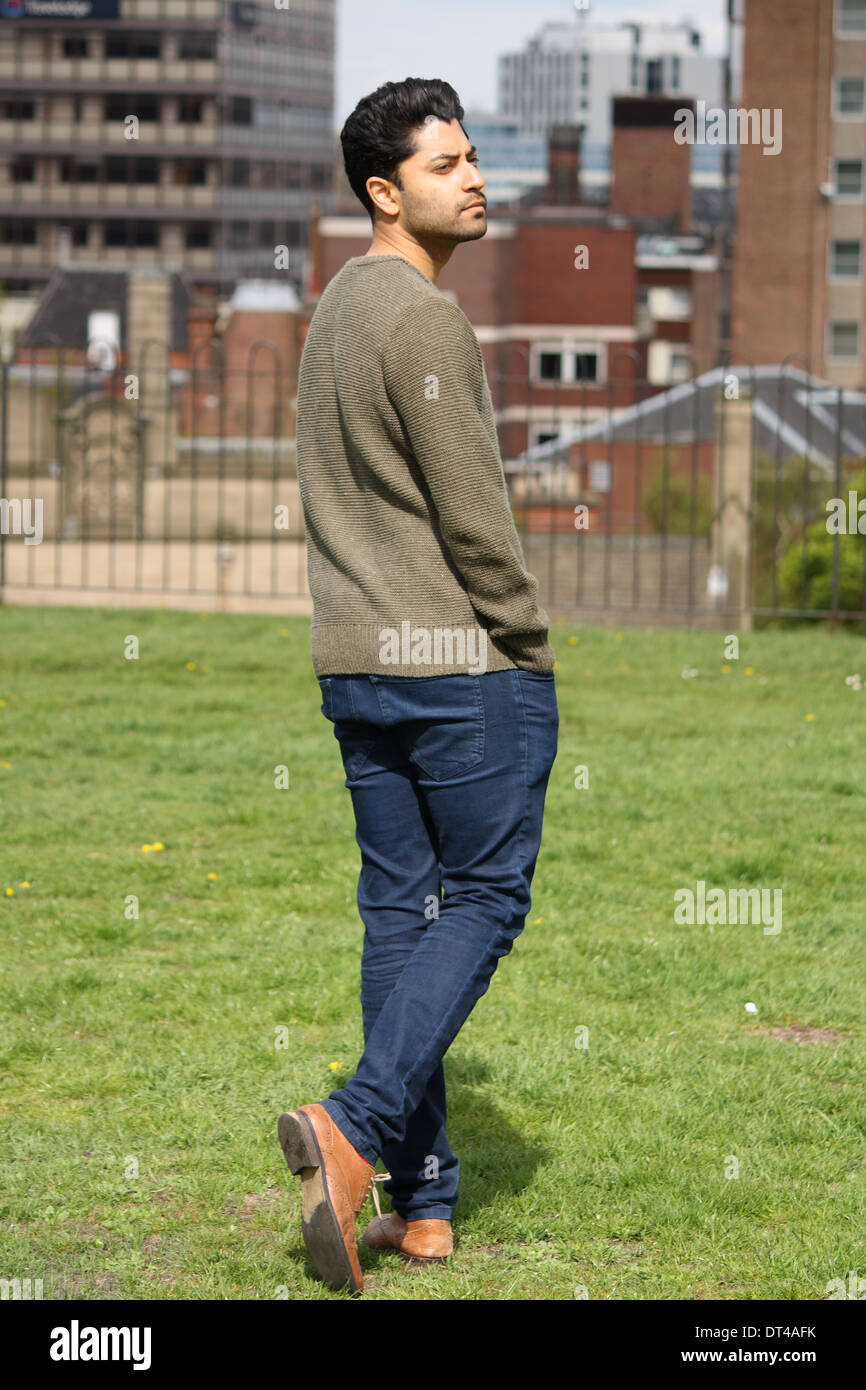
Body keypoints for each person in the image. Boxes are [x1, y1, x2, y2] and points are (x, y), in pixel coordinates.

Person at [279, 77, 559, 1293]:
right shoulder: (425, 320)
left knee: (400, 914)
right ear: (384, 193)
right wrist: (527, 641)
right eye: (445, 164)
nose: (474, 177)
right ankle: (352, 1122)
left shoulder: (335, 306)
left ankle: (423, 1207)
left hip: (355, 667)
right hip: (454, 665)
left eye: (472, 154)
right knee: (488, 897)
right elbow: (476, 521)